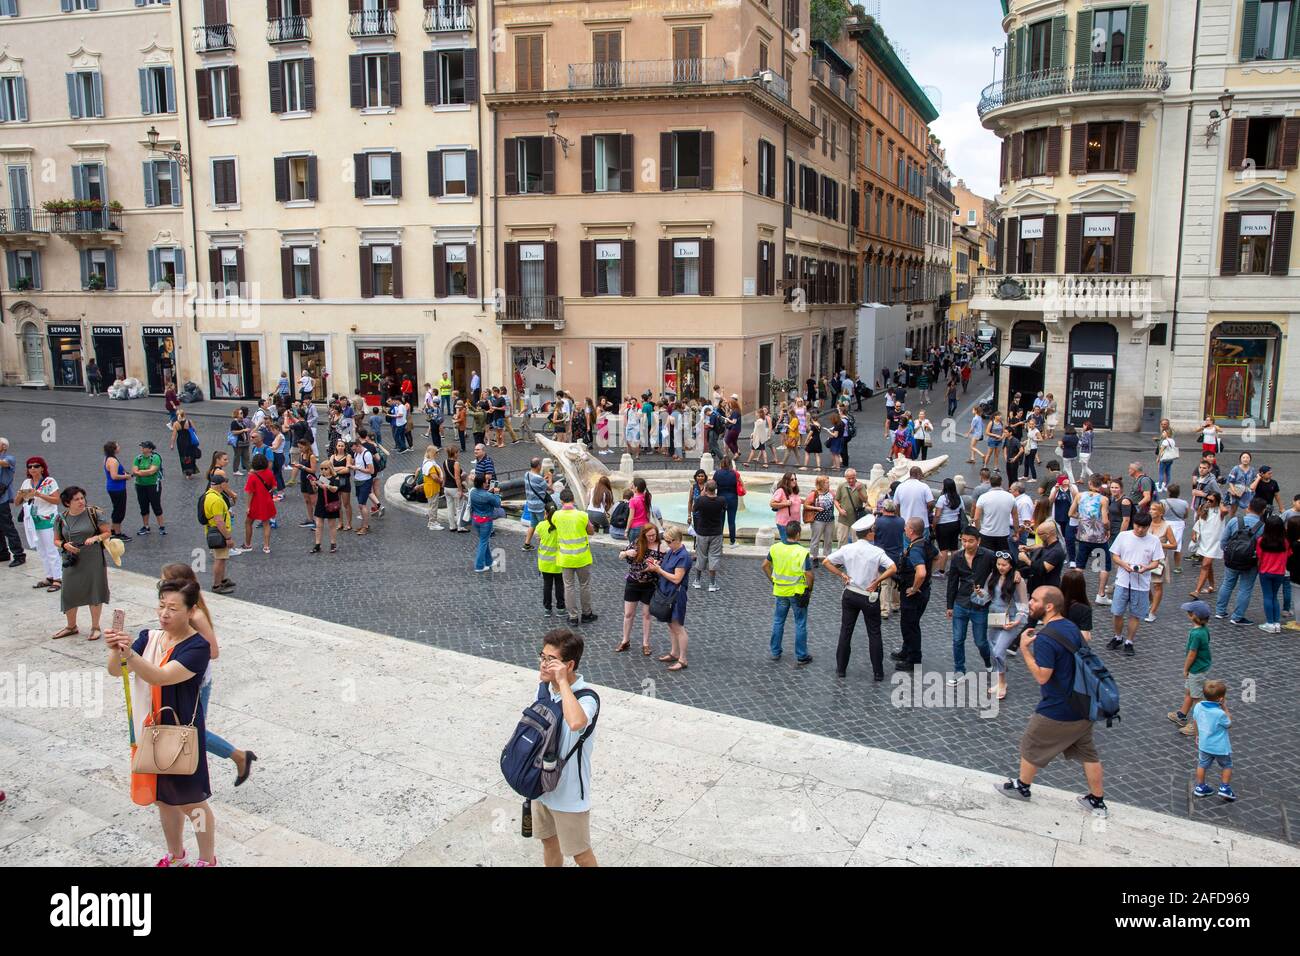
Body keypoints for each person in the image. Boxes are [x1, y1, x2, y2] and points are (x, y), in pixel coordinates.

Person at [997, 586, 1108, 819]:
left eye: (1034, 601)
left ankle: (1022, 787)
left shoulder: (1046, 638)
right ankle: (1097, 801)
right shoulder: (1069, 626)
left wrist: (1026, 650)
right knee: (1088, 752)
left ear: (1049, 606)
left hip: (1060, 706)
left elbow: (1042, 676)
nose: (1030, 604)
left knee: (1030, 742)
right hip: (1084, 702)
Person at [159, 563, 257, 787]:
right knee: (187, 729)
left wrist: (185, 654)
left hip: (196, 682)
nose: (162, 587)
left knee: (190, 730)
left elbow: (213, 651)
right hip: (181, 677)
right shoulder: (179, 608)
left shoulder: (198, 615)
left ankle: (238, 757)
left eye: (165, 581)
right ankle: (237, 757)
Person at [823, 515, 897, 680]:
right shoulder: (877, 551)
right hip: (868, 596)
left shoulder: (848, 548)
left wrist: (842, 574)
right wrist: (877, 580)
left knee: (846, 632)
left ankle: (841, 669)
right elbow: (893, 568)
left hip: (850, 593)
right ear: (869, 533)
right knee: (874, 633)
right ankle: (878, 672)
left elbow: (826, 561)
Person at [49, 486, 112, 641]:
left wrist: (95, 538)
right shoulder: (60, 518)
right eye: (76, 499)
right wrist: (64, 545)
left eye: (82, 498)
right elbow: (56, 540)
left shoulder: (94, 514)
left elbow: (107, 532)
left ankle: (95, 627)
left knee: (94, 590)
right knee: (69, 591)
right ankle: (71, 626)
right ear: (67, 503)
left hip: (92, 557)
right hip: (71, 559)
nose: (81, 501)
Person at [1108, 511, 1165, 656]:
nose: (1140, 530)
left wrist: (1146, 567)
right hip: (1122, 581)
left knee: (1136, 614)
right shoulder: (1123, 536)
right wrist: (1123, 564)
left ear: (1148, 526)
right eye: (1137, 526)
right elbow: (1115, 555)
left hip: (1141, 584)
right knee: (1117, 612)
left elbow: (1156, 561)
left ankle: (1129, 641)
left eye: (1143, 527)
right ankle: (1117, 636)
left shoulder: (1154, 541)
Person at [945, 526, 996, 684]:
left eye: (970, 541)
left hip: (980, 605)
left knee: (980, 641)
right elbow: (952, 582)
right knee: (957, 639)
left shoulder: (988, 556)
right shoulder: (957, 557)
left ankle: (989, 662)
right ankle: (959, 670)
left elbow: (1002, 570)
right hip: (961, 602)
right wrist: (949, 605)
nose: (967, 544)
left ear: (978, 541)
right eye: (964, 541)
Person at [763, 521, 815, 665]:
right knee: (800, 623)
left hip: (780, 590)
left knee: (778, 621)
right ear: (798, 534)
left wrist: (773, 580)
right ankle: (801, 655)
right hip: (797, 592)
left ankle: (775, 651)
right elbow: (809, 575)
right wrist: (809, 589)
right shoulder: (802, 552)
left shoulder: (775, 548)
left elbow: (765, 565)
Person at [1215, 496, 1267, 625]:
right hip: (1251, 561)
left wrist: (1227, 552)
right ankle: (1237, 617)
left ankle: (1220, 611)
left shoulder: (1234, 521)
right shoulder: (1262, 527)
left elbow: (1223, 541)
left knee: (1227, 584)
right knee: (1245, 588)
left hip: (1232, 559)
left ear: (1248, 507)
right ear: (1263, 511)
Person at [1167, 599, 1213, 738]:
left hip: (1195, 670)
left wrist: (1185, 669)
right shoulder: (1204, 630)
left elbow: (1192, 654)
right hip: (1199, 668)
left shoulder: (1196, 634)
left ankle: (1197, 726)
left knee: (1196, 698)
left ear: (1194, 616)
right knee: (1189, 691)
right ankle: (1181, 715)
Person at [986, 551, 1029, 701]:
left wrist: (1017, 621)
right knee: (993, 649)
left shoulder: (1018, 581)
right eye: (999, 564)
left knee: (998, 651)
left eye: (1004, 565)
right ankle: (1000, 680)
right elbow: (987, 596)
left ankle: (1002, 682)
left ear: (1011, 566)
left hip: (1010, 619)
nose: (1001, 567)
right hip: (995, 618)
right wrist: (978, 593)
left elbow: (1024, 604)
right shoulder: (993, 576)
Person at [648, 526, 691, 671]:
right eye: (665, 540)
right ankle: (674, 653)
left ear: (678, 540)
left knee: (678, 627)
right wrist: (657, 565)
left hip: (676, 595)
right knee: (671, 625)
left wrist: (659, 570)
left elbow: (677, 578)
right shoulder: (671, 552)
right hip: (666, 592)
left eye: (669, 541)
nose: (666, 543)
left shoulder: (683, 556)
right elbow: (666, 569)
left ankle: (683, 659)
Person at [893, 517, 932, 673]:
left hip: (913, 594)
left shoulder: (915, 549)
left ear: (912, 530)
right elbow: (937, 557)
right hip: (924, 591)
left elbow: (921, 572)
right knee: (909, 623)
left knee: (910, 625)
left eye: (906, 527)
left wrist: (915, 588)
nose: (904, 530)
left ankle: (914, 659)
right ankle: (906, 650)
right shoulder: (926, 542)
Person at [618, 524, 665, 654]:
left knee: (646, 615)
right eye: (649, 535)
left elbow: (663, 568)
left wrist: (656, 567)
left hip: (649, 585)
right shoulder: (637, 543)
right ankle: (625, 640)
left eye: (654, 535)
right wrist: (627, 552)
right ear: (643, 535)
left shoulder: (661, 548)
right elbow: (621, 556)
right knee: (628, 614)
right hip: (633, 583)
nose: (652, 538)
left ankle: (645, 644)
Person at [17, 457, 62, 591]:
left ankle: (58, 578)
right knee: (41, 550)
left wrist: (38, 494)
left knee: (51, 550)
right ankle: (49, 576)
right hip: (32, 520)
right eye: (30, 466)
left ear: (42, 468)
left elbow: (57, 500)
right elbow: (16, 502)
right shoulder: (26, 482)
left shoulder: (49, 481)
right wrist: (21, 495)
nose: (32, 469)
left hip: (48, 519)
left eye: (36, 466)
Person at [552, 488, 597, 623]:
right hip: (582, 557)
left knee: (569, 587)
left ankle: (572, 616)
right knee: (584, 585)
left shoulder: (556, 516)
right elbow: (591, 532)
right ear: (573, 499)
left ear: (561, 501)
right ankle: (587, 614)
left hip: (565, 557)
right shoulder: (582, 515)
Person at [1191, 680, 1236, 801]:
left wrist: (1197, 735)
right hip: (1220, 747)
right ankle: (1224, 788)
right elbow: (1229, 723)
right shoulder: (1219, 713)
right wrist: (1225, 708)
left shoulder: (1198, 706)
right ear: (1221, 698)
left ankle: (1200, 787)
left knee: (1202, 764)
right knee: (1227, 765)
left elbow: (1195, 721)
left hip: (1204, 744)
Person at [202, 474, 236, 595]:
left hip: (214, 530)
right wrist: (228, 537)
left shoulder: (209, 495)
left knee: (222, 558)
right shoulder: (216, 500)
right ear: (221, 484)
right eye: (225, 483)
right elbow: (219, 521)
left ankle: (222, 580)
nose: (226, 485)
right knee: (220, 559)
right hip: (219, 532)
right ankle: (217, 585)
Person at [872, 500, 906, 619]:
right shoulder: (901, 521)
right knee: (896, 581)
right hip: (896, 555)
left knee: (885, 582)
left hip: (883, 555)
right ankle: (896, 604)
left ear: (884, 509)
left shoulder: (879, 521)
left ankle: (884, 610)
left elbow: (874, 534)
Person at [1256, 513, 1289, 633]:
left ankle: (1270, 623)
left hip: (1265, 571)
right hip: (1280, 572)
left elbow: (1259, 556)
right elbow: (1288, 554)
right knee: (1275, 596)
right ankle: (1276, 622)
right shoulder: (1285, 542)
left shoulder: (1261, 541)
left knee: (1267, 596)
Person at [691, 480, 726, 592]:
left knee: (701, 555)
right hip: (716, 532)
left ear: (705, 489)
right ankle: (712, 583)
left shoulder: (701, 500)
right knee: (714, 557)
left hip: (702, 532)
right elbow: (724, 509)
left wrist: (702, 495)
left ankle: (697, 581)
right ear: (716, 489)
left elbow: (694, 509)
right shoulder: (721, 500)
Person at [1189, 491, 1224, 599]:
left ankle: (1197, 591)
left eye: (1211, 500)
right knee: (1208, 565)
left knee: (1205, 565)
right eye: (1207, 499)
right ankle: (1211, 586)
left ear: (1217, 501)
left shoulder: (1220, 511)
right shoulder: (1203, 508)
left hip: (1215, 542)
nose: (1208, 502)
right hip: (1205, 541)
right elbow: (1199, 521)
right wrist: (1194, 532)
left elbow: (1225, 510)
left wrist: (1220, 502)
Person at [241, 453, 277, 554]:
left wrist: (248, 506)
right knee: (266, 524)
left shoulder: (252, 476)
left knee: (248, 523)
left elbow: (250, 493)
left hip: (255, 504)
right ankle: (266, 546)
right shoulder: (269, 473)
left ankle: (248, 544)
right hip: (267, 502)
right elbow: (274, 487)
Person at [973, 473, 1016, 554]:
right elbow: (1015, 517)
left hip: (986, 533)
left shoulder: (983, 497)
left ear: (990, 482)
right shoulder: (1010, 497)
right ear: (1001, 482)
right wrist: (1016, 531)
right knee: (1002, 559)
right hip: (1003, 533)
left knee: (986, 559)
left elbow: (976, 518)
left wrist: (979, 530)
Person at [469, 472, 502, 573]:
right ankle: (479, 566)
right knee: (483, 542)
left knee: (484, 540)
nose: (487, 482)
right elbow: (498, 504)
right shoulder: (487, 495)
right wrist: (496, 493)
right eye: (486, 481)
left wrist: (489, 491)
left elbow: (482, 495)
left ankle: (489, 562)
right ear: (483, 483)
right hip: (485, 522)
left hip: (476, 520)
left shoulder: (472, 491)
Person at [0, 437, 26, 566]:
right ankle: (3, 553)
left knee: (8, 527)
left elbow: (4, 464)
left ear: (4, 446)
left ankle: (19, 555)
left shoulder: (9, 458)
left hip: (2, 500)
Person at [932, 477, 965, 576]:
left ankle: (941, 571)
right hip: (955, 525)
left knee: (944, 549)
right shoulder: (958, 497)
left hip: (943, 526)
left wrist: (933, 526)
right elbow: (962, 509)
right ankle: (955, 569)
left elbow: (937, 515)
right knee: (954, 548)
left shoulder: (942, 498)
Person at [537, 509, 566, 618]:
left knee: (547, 585)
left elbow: (540, 538)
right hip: (558, 561)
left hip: (545, 562)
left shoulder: (540, 525)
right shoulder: (560, 526)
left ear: (546, 514)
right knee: (559, 585)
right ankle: (561, 608)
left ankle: (547, 608)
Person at [309, 461, 342, 554]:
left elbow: (335, 489)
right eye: (322, 469)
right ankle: (317, 545)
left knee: (332, 525)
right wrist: (314, 486)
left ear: (330, 468)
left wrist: (327, 485)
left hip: (331, 502)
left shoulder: (336, 477)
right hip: (321, 502)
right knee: (319, 525)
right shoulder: (321, 477)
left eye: (325, 468)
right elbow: (316, 490)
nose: (323, 470)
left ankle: (333, 544)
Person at [521, 458, 552, 551]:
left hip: (530, 505)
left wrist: (543, 479)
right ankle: (543, 547)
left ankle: (527, 544)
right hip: (539, 507)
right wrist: (550, 478)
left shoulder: (527, 474)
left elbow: (536, 483)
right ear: (538, 466)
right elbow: (550, 488)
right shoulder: (538, 478)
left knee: (533, 524)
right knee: (543, 526)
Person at [833, 469, 870, 547]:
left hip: (856, 519)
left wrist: (859, 490)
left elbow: (865, 500)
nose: (851, 480)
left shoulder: (861, 485)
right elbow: (836, 500)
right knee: (842, 540)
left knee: (856, 541)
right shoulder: (842, 486)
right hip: (844, 519)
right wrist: (840, 510)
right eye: (849, 478)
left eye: (853, 478)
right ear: (845, 477)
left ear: (855, 476)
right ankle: (841, 557)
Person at [713, 456, 741, 546]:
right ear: (730, 464)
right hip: (733, 498)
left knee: (720, 520)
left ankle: (719, 541)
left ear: (721, 463)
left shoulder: (717, 473)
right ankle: (732, 541)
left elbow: (712, 486)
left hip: (720, 498)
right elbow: (741, 484)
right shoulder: (735, 474)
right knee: (731, 521)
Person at [769, 472, 802, 544]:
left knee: (794, 544)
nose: (794, 481)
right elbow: (772, 504)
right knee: (787, 544)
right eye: (792, 479)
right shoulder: (781, 491)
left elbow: (797, 501)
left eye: (795, 479)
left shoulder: (794, 491)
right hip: (784, 523)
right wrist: (785, 503)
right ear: (787, 481)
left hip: (795, 523)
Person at [1224, 452, 1257, 519]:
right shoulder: (1235, 468)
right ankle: (1231, 523)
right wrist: (1234, 491)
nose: (1245, 459)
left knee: (1249, 510)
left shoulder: (1252, 470)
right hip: (1236, 491)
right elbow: (1230, 481)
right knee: (1233, 510)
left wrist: (1253, 490)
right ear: (1240, 459)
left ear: (1250, 459)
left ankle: (1248, 524)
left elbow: (1254, 480)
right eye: (1243, 457)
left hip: (1248, 492)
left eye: (1247, 457)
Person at [170, 409, 201, 479]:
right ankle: (190, 472)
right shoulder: (189, 421)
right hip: (189, 441)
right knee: (191, 456)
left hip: (180, 442)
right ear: (184, 414)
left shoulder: (175, 424)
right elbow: (195, 430)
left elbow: (174, 435)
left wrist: (172, 444)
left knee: (183, 456)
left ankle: (186, 470)